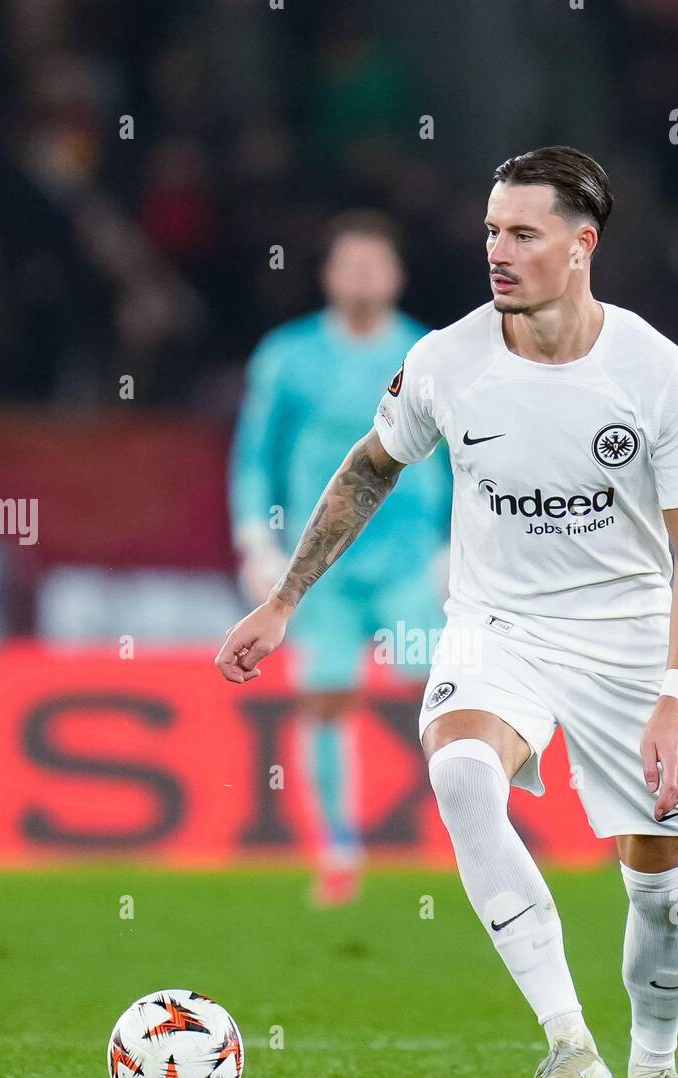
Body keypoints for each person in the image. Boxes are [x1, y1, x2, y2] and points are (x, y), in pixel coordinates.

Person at [216, 147, 678, 1078]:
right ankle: (569, 1047)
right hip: (497, 625)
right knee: (458, 772)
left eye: (522, 234)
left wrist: (676, 693)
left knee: (659, 880)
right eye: (491, 229)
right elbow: (370, 467)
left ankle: (656, 1064)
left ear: (581, 247)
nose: (496, 250)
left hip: (625, 633)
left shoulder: (655, 372)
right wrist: (283, 598)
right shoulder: (447, 359)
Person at [229, 210, 449, 905]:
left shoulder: (430, 354)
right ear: (327, 275)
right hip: (317, 564)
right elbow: (254, 454)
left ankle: (464, 836)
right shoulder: (286, 356)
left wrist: (457, 547)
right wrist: (254, 539)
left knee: (444, 694)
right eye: (348, 263)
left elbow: (465, 459)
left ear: (397, 275)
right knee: (325, 694)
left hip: (412, 559)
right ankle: (337, 850)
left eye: (373, 263)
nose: (361, 275)